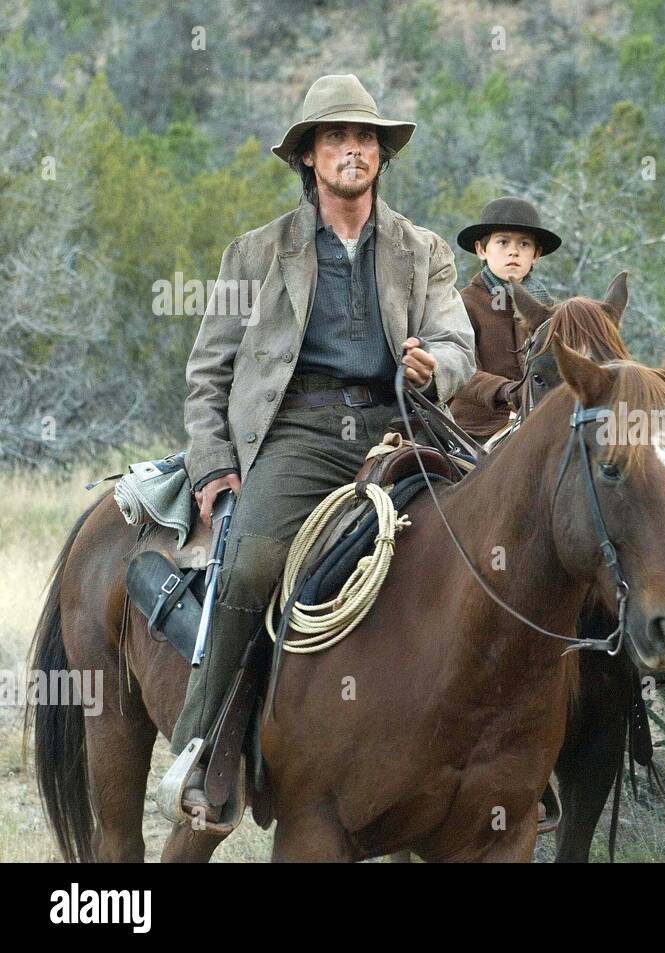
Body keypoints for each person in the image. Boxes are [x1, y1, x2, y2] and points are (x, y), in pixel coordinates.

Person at [170, 73, 475, 824]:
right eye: (335, 137)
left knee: (495, 535)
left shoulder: (423, 249)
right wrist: (212, 464)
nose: (352, 150)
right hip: (300, 433)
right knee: (248, 560)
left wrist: (436, 365)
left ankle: (502, 754)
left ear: (381, 154)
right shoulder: (256, 252)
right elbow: (207, 369)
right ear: (308, 155)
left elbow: (458, 341)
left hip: (398, 426)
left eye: (365, 138)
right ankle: (206, 745)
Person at [449, 196, 562, 440]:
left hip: (544, 422)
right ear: (481, 250)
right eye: (502, 242)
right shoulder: (463, 304)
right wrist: (507, 391)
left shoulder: (551, 312)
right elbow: (460, 372)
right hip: (477, 429)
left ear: (536, 255)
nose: (513, 251)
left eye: (524, 244)